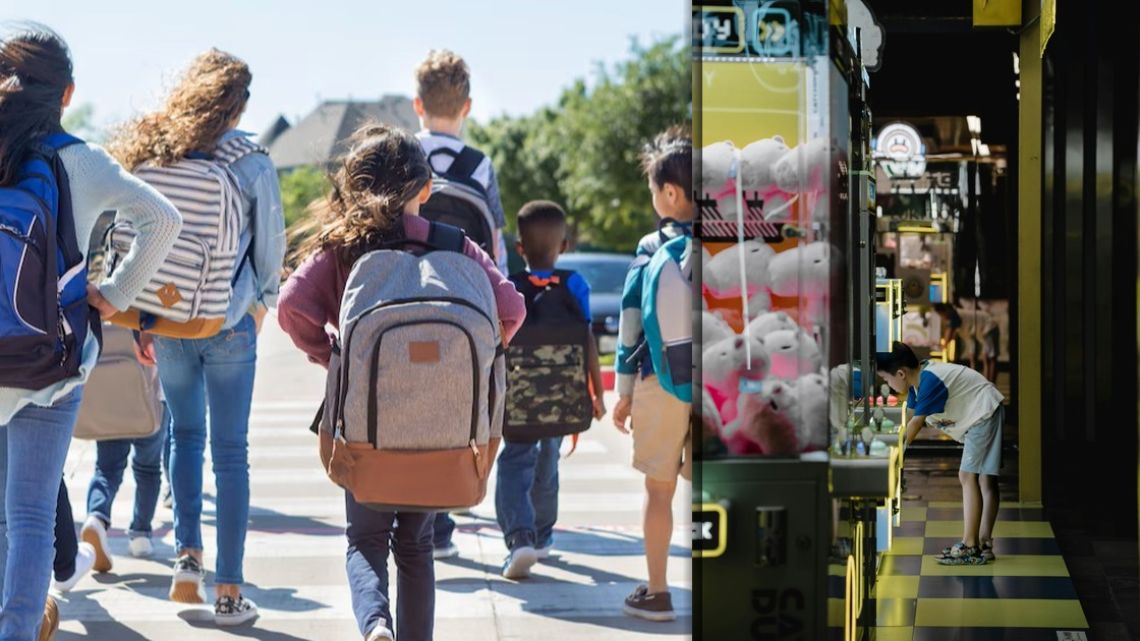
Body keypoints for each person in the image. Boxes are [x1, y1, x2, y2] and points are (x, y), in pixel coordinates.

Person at [277, 123, 525, 641]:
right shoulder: (457, 246)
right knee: (416, 545)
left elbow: (291, 308)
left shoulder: (341, 250)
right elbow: (512, 309)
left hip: (365, 427)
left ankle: (374, 627)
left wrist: (334, 360)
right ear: (425, 189)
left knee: (364, 541)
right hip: (440, 428)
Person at [0, 24, 181, 641]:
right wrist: (115, 293)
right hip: (52, 363)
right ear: (67, 93)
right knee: (28, 516)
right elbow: (161, 219)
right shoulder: (82, 160)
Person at [108, 48, 285, 625]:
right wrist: (255, 315)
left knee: (185, 437)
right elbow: (269, 258)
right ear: (240, 105)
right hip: (228, 323)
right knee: (231, 453)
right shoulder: (253, 163)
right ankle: (229, 593)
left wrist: (145, 320)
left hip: (169, 322)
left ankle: (187, 560)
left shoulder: (163, 151)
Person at [411, 49, 512, 559]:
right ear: (467, 107)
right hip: (466, 308)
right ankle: (444, 518)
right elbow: (496, 243)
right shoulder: (480, 166)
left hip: (405, 301)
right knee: (454, 407)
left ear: (417, 105)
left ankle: (419, 517)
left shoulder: (402, 157)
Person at [495, 201, 606, 580]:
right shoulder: (575, 285)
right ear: (565, 245)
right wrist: (598, 394)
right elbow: (586, 339)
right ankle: (542, 536)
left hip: (519, 404)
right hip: (564, 400)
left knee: (515, 462)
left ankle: (519, 536)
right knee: (548, 462)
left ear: (519, 248)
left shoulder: (510, 287)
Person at [611, 126, 693, 622]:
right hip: (719, 386)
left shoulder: (651, 245)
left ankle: (658, 593)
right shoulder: (729, 239)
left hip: (659, 379)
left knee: (659, 490)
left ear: (669, 192)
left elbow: (629, 321)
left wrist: (623, 393)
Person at [875, 341, 1005, 566]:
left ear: (900, 373)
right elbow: (911, 416)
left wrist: (896, 453)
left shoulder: (929, 380)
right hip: (985, 411)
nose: (888, 384)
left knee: (968, 476)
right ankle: (983, 543)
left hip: (983, 414)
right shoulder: (919, 381)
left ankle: (970, 544)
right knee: (985, 479)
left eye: (886, 379)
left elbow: (915, 424)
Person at [80, 403, 171, 572]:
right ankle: (140, 535)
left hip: (113, 399)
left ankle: (96, 516)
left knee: (106, 470)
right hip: (152, 400)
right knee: (148, 470)